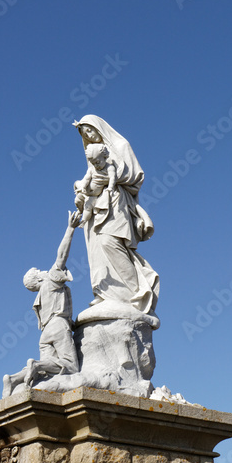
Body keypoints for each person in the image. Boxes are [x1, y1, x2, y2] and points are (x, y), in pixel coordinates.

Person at [73, 115, 159, 314]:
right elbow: (89, 181)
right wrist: (81, 195)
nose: (89, 135)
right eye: (85, 134)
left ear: (98, 126)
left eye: (90, 130)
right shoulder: (93, 157)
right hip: (97, 205)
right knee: (96, 247)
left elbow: (136, 176)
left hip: (116, 200)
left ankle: (136, 291)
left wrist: (109, 180)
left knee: (110, 242)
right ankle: (105, 291)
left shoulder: (121, 146)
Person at [2, 211, 81, 397]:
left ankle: (13, 379)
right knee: (72, 366)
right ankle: (35, 365)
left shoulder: (39, 299)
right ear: (38, 279)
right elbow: (61, 256)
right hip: (58, 326)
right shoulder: (51, 282)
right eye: (40, 272)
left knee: (49, 371)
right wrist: (70, 229)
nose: (44, 271)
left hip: (45, 333)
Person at [74, 142, 117, 227]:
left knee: (88, 208)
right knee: (77, 200)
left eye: (97, 162)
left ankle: (83, 221)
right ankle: (79, 210)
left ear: (104, 157)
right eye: (93, 163)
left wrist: (110, 187)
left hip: (93, 195)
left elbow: (112, 178)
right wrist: (83, 187)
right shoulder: (91, 169)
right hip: (85, 190)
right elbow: (87, 178)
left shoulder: (110, 168)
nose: (96, 165)